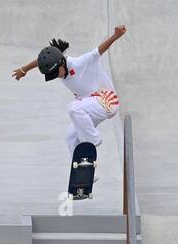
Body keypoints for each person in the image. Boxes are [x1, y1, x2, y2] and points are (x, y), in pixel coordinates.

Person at [13, 26, 126, 156]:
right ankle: (84, 171)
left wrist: (116, 35)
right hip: (91, 107)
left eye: (57, 73)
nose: (58, 76)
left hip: (107, 101)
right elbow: (41, 61)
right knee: (70, 138)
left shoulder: (79, 63)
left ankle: (94, 140)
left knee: (73, 108)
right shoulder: (57, 62)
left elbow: (98, 51)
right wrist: (24, 69)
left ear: (62, 63)